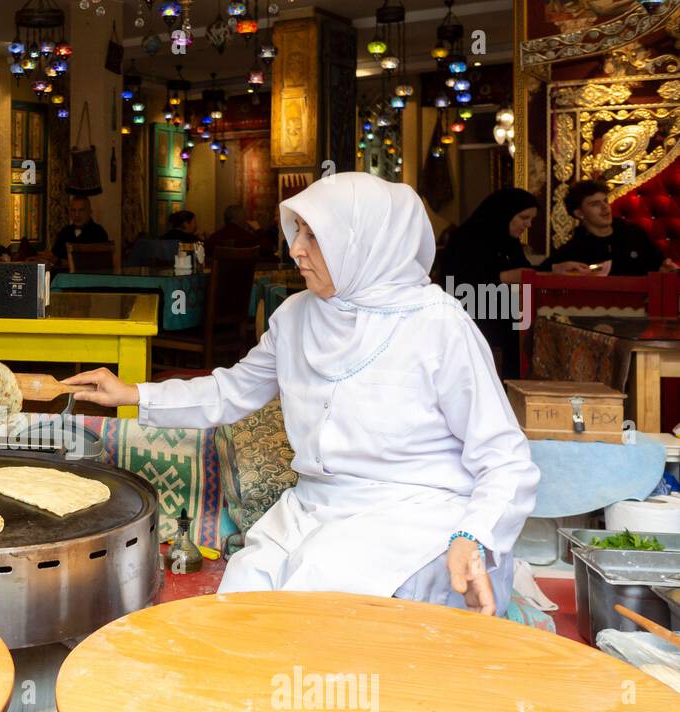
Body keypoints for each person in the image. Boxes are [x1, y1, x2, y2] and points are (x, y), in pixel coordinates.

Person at [64, 172, 539, 616]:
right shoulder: (296, 315)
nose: (296, 251)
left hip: (415, 513)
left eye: (315, 237)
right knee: (240, 604)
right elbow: (233, 390)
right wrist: (133, 393)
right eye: (298, 233)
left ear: (365, 245)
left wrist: (471, 536)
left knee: (313, 607)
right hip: (312, 506)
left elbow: (505, 458)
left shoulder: (437, 325)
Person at [437, 187, 540, 380]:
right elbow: (457, 284)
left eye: (531, 220)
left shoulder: (510, 242)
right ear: (505, 213)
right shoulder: (466, 239)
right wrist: (504, 277)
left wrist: (554, 269)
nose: (528, 225)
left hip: (509, 326)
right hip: (474, 326)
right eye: (524, 217)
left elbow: (524, 272)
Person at [545, 180, 678, 276]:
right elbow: (537, 274)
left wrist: (667, 270)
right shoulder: (574, 248)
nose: (605, 208)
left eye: (605, 201)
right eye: (595, 204)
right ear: (579, 213)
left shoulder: (634, 234)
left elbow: (661, 265)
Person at [40, 195, 110, 269]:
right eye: (73, 210)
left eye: (81, 210)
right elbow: (55, 256)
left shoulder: (98, 233)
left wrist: (59, 261)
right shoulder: (65, 232)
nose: (77, 215)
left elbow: (97, 264)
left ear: (90, 212)